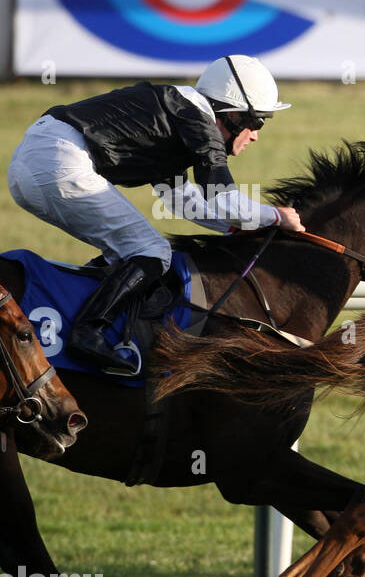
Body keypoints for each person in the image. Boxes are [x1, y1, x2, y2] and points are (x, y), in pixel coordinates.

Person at [7, 54, 306, 370]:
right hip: (57, 161)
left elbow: (183, 202)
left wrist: (235, 229)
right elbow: (224, 200)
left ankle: (86, 318)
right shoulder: (198, 122)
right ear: (232, 115)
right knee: (151, 251)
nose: (256, 135)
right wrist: (277, 216)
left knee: (132, 252)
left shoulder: (178, 117)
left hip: (38, 158)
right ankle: (87, 333)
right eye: (257, 122)